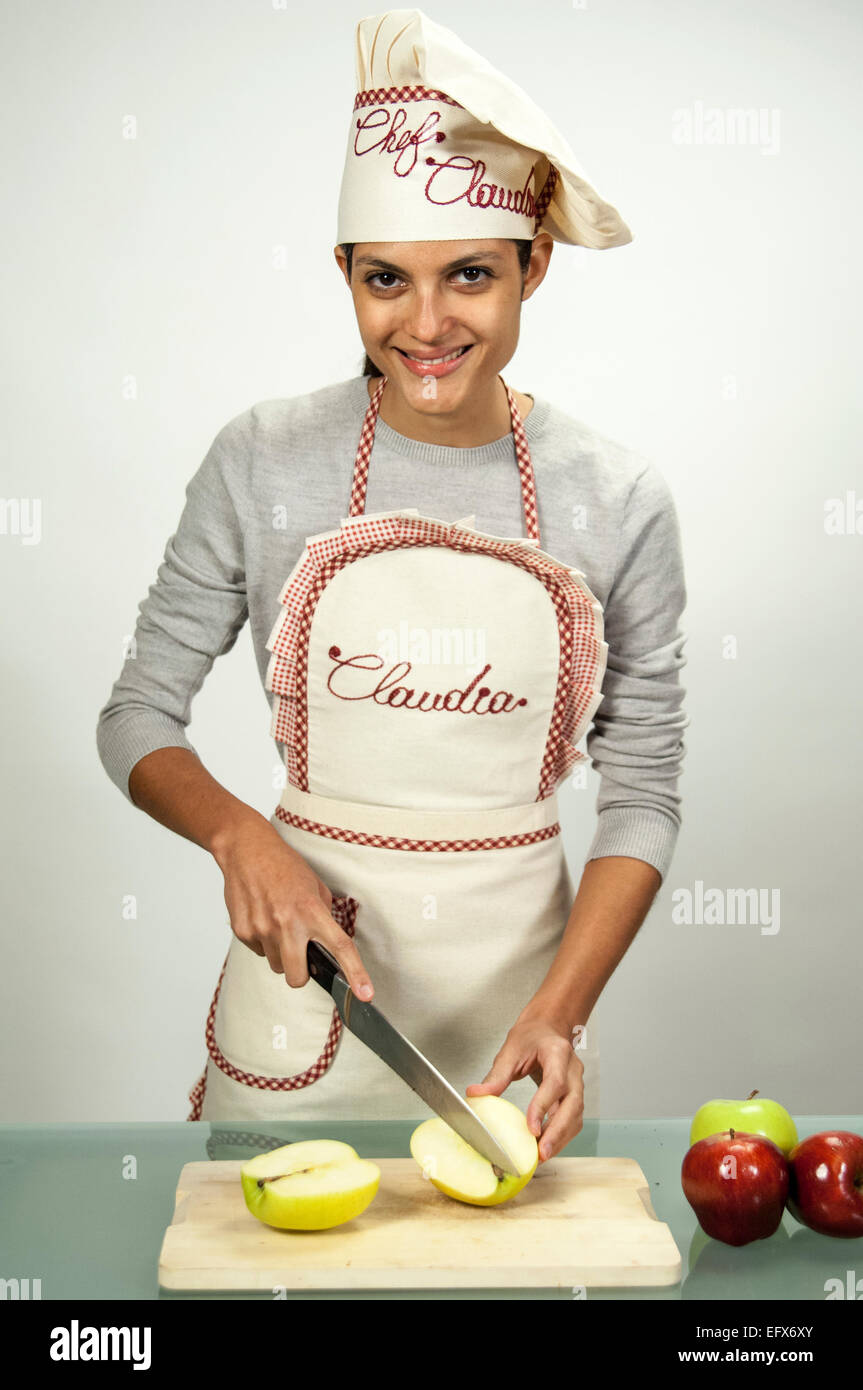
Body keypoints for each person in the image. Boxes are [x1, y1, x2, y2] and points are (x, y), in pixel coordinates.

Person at [96, 9, 688, 1162]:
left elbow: (642, 795)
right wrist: (239, 839)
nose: (423, 326)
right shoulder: (262, 458)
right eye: (385, 281)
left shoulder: (616, 496)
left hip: (522, 1034)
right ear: (344, 274)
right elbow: (133, 717)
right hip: (303, 1018)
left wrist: (557, 1012)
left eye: (468, 274)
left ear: (534, 264)